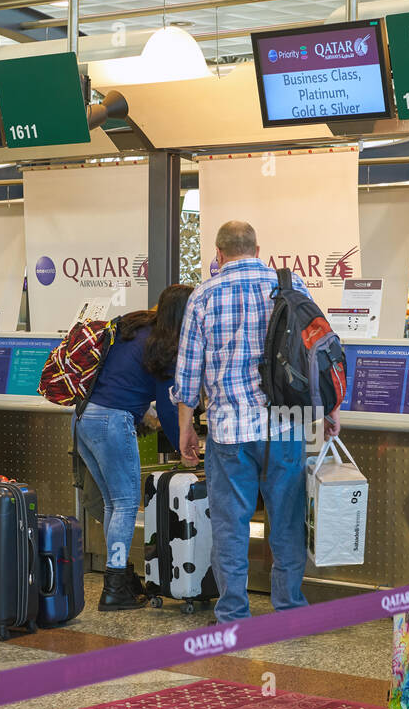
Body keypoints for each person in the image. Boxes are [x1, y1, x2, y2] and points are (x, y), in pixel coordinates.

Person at [172, 220, 339, 623]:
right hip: (285, 425)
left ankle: (233, 612)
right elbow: (320, 350)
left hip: (230, 432)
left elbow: (188, 373)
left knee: (231, 525)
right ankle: (289, 608)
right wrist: (330, 410)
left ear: (219, 254)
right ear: (258, 248)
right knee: (286, 520)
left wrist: (185, 427)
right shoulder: (290, 284)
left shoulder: (203, 296)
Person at [76, 284, 190, 610]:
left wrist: (147, 412)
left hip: (83, 416)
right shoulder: (166, 345)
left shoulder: (134, 325)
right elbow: (170, 408)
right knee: (125, 504)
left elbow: (122, 379)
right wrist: (183, 445)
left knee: (115, 503)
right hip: (111, 422)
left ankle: (120, 579)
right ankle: (113, 590)